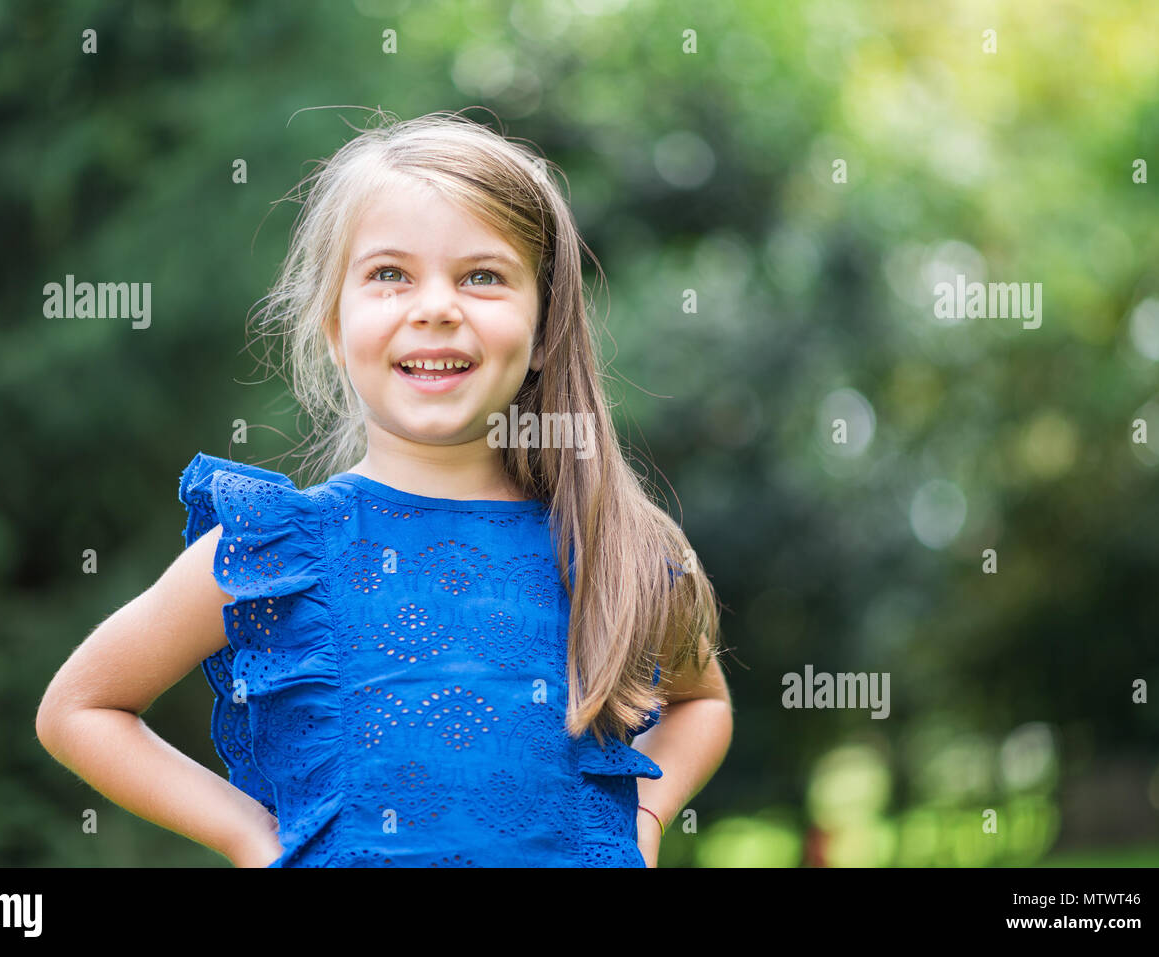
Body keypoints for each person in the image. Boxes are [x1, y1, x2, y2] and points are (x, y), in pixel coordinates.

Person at [36, 109, 732, 867]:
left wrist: (645, 820)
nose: (435, 306)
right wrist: (251, 837)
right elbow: (79, 708)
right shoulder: (277, 551)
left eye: (483, 276)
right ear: (333, 327)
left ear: (542, 331)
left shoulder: (612, 546)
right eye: (390, 274)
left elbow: (703, 701)